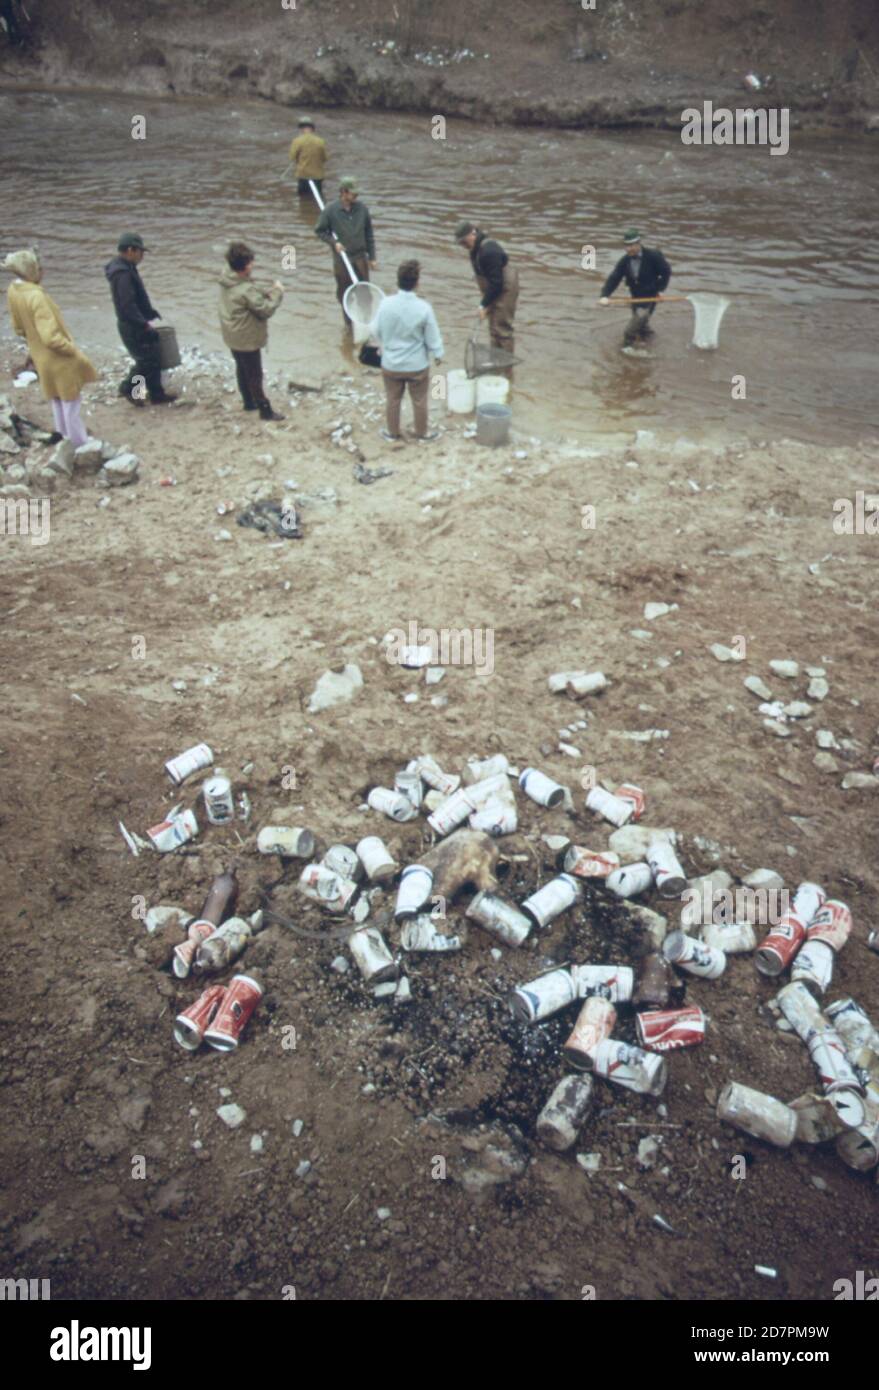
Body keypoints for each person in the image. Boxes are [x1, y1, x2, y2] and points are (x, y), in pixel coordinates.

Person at [3, 247, 97, 447]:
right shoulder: (36, 296)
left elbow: (18, 328)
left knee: (56, 397)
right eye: (39, 268)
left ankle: (63, 436)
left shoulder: (14, 290)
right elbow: (51, 338)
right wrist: (71, 349)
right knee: (71, 400)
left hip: (40, 356)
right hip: (57, 357)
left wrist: (33, 343)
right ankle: (79, 443)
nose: (43, 272)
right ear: (30, 271)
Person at [373, 259, 444, 443]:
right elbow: (432, 337)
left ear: (398, 281)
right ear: (417, 283)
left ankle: (392, 433)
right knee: (420, 400)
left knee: (393, 399)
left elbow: (375, 330)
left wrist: (383, 344)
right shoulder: (424, 308)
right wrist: (438, 354)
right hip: (417, 365)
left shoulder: (385, 304)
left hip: (391, 364)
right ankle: (422, 433)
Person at [105, 232, 176, 405]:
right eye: (140, 252)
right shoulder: (122, 274)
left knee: (153, 358)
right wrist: (144, 324)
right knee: (146, 362)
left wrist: (149, 312)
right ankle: (129, 388)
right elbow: (127, 306)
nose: (142, 256)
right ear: (130, 250)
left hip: (134, 323)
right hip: (132, 326)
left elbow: (134, 300)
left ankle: (156, 394)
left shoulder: (126, 268)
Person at [218, 241, 285, 421]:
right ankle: (265, 410)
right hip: (246, 339)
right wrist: (278, 292)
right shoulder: (245, 290)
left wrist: (264, 292)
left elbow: (251, 293)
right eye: (251, 262)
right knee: (255, 374)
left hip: (231, 334)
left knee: (241, 368)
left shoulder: (227, 276)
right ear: (245, 266)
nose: (253, 264)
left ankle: (248, 402)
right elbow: (265, 310)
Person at [314, 176, 377, 327]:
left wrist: (372, 257)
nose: (356, 195)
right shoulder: (330, 210)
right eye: (353, 193)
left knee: (365, 295)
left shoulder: (362, 209)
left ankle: (365, 323)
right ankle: (348, 326)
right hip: (342, 260)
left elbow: (369, 234)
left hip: (360, 258)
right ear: (343, 192)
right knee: (344, 295)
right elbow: (320, 231)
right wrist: (334, 243)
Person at [454, 220, 519, 357]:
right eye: (460, 243)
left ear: (473, 234)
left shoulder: (489, 251)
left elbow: (497, 284)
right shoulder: (474, 249)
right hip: (493, 288)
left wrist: (483, 305)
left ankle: (506, 365)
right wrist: (486, 302)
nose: (463, 246)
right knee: (493, 327)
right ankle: (496, 360)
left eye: (464, 242)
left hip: (504, 288)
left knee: (502, 329)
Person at [599, 228, 672, 347]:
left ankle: (626, 352)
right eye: (626, 246)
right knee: (642, 326)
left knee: (630, 331)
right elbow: (614, 278)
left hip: (650, 298)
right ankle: (651, 343)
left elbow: (666, 272)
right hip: (635, 297)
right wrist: (605, 295)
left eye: (631, 245)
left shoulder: (653, 256)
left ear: (639, 244)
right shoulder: (625, 261)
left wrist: (661, 290)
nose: (628, 249)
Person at [289, 116, 328, 200]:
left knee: (303, 200)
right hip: (317, 177)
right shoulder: (320, 141)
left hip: (303, 176)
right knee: (317, 199)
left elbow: (292, 157)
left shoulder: (297, 141)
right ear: (313, 128)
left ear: (301, 128)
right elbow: (325, 158)